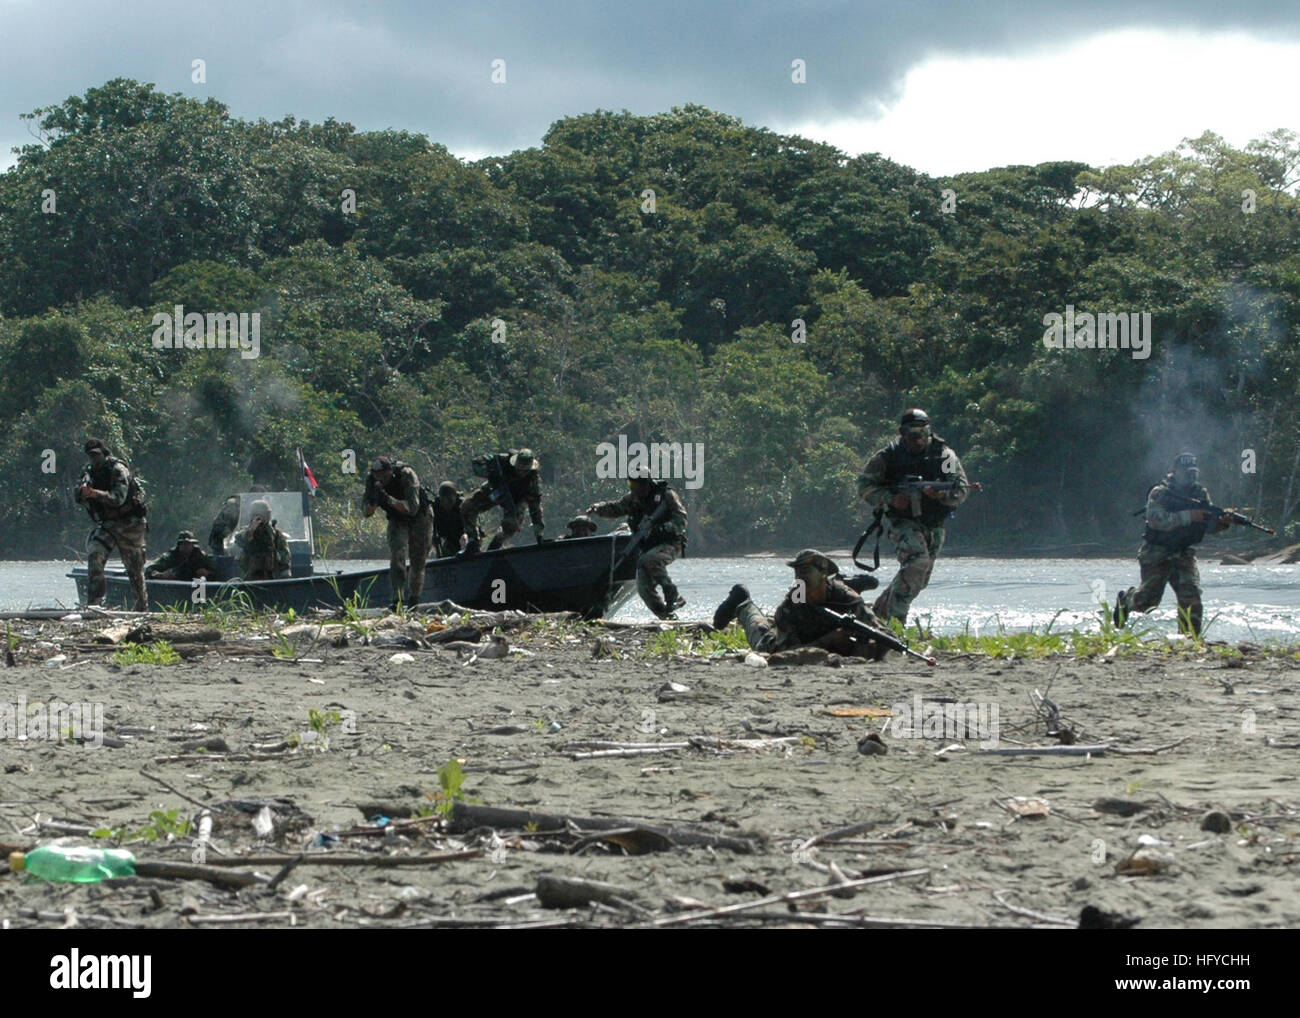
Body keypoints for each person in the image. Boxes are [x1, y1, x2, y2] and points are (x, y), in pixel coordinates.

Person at [857, 408, 970, 624]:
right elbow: (864, 486)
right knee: (916, 564)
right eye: (913, 433)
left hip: (934, 524)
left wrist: (941, 493)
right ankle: (896, 623)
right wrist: (891, 498)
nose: (919, 439)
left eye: (924, 431)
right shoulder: (887, 457)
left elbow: (962, 489)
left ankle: (878, 614)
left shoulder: (944, 455)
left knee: (919, 577)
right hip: (903, 522)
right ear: (902, 433)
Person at [1114, 453, 1230, 636]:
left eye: (1193, 472)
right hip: (1157, 552)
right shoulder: (1161, 493)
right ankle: (1127, 600)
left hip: (1183, 552)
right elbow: (1156, 521)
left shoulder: (1200, 494)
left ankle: (1188, 640)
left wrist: (1221, 524)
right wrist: (1189, 516)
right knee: (1147, 602)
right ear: (1175, 472)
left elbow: (1205, 524)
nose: (1190, 477)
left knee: (1191, 598)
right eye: (1186, 472)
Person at [712, 549, 886, 659]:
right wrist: (828, 641)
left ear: (823, 574)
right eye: (797, 572)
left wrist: (867, 642)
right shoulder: (792, 604)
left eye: (806, 571)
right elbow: (784, 654)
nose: (800, 577)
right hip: (785, 644)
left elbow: (883, 633)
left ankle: (845, 582)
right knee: (762, 637)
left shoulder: (848, 599)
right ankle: (742, 602)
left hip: (829, 625)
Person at [586, 465, 687, 619]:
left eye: (637, 485)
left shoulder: (666, 496)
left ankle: (672, 595)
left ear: (647, 483)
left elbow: (681, 519)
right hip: (647, 546)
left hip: (669, 544)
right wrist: (598, 508)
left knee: (650, 560)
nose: (634, 489)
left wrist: (662, 528)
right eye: (631, 485)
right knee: (643, 588)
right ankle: (667, 617)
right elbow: (615, 508)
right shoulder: (632, 498)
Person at [76, 438, 149, 610]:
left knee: (134, 569)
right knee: (95, 554)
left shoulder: (118, 469)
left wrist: (95, 494)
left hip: (129, 524)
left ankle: (141, 608)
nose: (93, 459)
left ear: (104, 453)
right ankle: (94, 603)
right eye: (90, 455)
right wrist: (83, 492)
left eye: (96, 455)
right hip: (108, 524)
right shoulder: (88, 472)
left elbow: (118, 499)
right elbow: (77, 497)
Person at [364, 456, 433, 607]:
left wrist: (389, 499)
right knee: (397, 556)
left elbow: (413, 509)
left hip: (420, 518)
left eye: (383, 475)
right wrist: (373, 501)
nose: (380, 478)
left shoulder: (406, 474)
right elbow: (366, 512)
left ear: (390, 472)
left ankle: (414, 601)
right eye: (377, 475)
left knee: (417, 561)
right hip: (397, 519)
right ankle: (398, 599)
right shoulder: (372, 480)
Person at [461, 448, 545, 552]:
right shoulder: (503, 460)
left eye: (525, 470)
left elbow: (535, 509)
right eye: (519, 469)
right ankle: (474, 541)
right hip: (495, 490)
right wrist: (491, 472)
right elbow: (477, 464)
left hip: (516, 501)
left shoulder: (532, 481)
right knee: (467, 506)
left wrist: (539, 535)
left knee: (511, 524)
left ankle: (496, 545)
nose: (521, 472)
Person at [235, 499, 291, 580]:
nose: (265, 517)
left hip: (268, 574)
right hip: (249, 575)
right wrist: (251, 531)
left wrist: (285, 571)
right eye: (262, 514)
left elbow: (284, 552)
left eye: (267, 514)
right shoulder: (247, 531)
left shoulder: (274, 533)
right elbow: (239, 542)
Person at [209, 484, 269, 556]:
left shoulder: (251, 507)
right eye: (260, 496)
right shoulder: (236, 505)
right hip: (219, 539)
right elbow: (222, 528)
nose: (262, 500)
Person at [145, 531, 215, 581]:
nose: (186, 546)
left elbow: (215, 572)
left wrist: (207, 573)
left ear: (193, 545)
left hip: (195, 591)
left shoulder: (201, 556)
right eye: (183, 544)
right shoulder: (169, 558)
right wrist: (161, 576)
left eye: (189, 544)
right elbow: (149, 570)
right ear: (179, 545)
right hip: (174, 590)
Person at [432, 481, 477, 558]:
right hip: (450, 540)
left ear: (455, 497)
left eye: (450, 500)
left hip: (468, 539)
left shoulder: (464, 506)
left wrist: (469, 541)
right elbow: (434, 532)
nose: (447, 504)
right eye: (443, 500)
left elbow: (473, 530)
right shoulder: (437, 508)